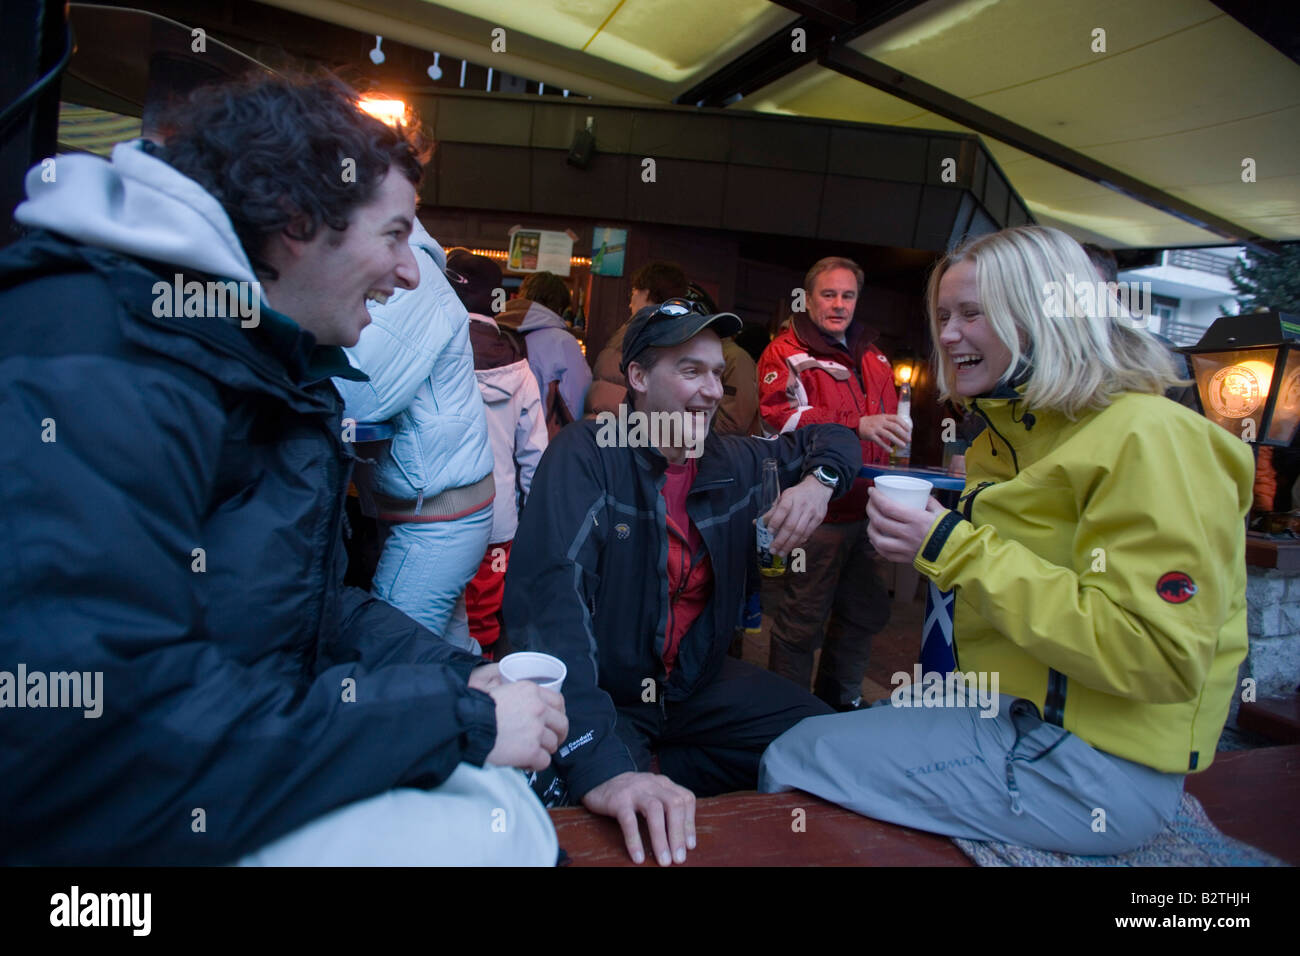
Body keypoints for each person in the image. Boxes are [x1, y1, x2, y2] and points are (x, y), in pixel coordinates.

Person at [0, 73, 565, 865]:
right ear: (299, 220)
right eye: (396, 234)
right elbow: (101, 742)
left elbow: (302, 610)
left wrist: (466, 681)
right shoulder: (97, 354)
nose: (412, 273)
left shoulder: (228, 345)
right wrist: (453, 717)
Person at [760, 225, 1254, 854]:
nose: (946, 334)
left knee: (792, 757)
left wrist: (948, 546)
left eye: (972, 313)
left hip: (1098, 769)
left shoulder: (1151, 437)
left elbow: (1157, 656)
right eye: (943, 314)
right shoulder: (1011, 433)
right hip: (1020, 717)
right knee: (824, 733)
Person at [503, 297, 861, 865]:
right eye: (690, 370)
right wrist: (602, 764)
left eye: (718, 373)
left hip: (693, 687)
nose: (713, 390)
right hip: (610, 692)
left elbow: (835, 438)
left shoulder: (734, 458)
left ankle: (656, 768)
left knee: (829, 742)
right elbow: (551, 611)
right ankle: (629, 767)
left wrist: (819, 483)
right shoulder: (590, 454)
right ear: (639, 378)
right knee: (610, 824)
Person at [334, 219, 494, 653]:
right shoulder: (402, 269)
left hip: (438, 519)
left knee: (386, 657)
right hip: (433, 508)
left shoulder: (413, 279)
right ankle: (484, 713)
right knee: (445, 653)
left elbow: (359, 396)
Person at [756, 256, 906, 710]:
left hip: (870, 512)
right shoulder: (784, 351)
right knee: (800, 625)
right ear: (808, 297)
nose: (839, 304)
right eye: (829, 294)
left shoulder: (877, 356)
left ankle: (840, 711)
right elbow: (778, 421)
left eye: (848, 295)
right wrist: (858, 424)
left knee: (861, 618)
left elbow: (891, 425)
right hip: (817, 516)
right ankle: (786, 720)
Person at [447, 249, 549, 659]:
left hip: (433, 512)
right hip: (497, 518)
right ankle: (485, 697)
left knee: (430, 618)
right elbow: (535, 456)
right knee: (483, 620)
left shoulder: (429, 351)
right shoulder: (519, 366)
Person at [586, 260, 690, 418]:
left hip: (609, 429)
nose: (630, 303)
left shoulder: (640, 332)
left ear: (647, 293)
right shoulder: (675, 335)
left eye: (634, 291)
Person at [497, 270, 590, 436]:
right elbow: (576, 403)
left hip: (491, 441)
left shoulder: (494, 329)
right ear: (560, 308)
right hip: (536, 447)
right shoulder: (563, 342)